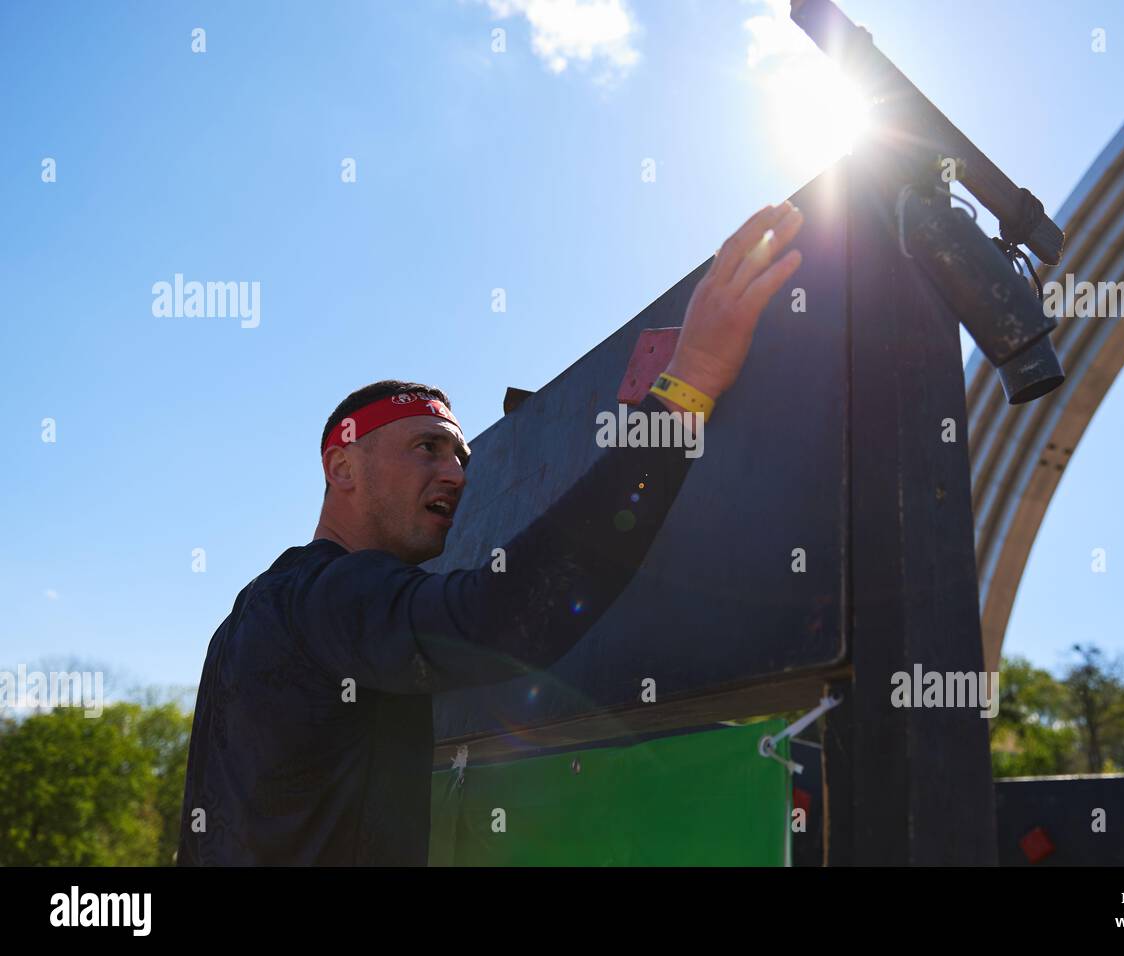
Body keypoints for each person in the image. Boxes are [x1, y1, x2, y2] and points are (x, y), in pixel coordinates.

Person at [177, 201, 805, 864]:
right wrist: (691, 384)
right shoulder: (327, 596)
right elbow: (505, 616)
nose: (456, 474)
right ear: (343, 466)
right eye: (428, 448)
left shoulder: (251, 618)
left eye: (463, 459)